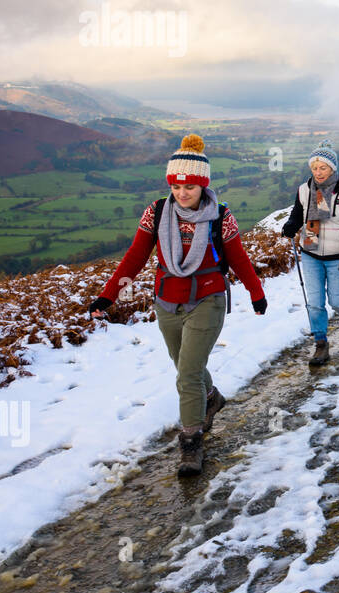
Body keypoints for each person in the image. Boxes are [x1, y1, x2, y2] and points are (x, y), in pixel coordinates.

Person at [87, 134, 267, 477]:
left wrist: (255, 292)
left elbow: (239, 259)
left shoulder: (220, 217)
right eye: (176, 186)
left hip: (208, 299)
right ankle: (210, 397)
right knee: (187, 367)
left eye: (190, 187)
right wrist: (108, 296)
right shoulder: (156, 213)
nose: (182, 193)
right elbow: (135, 258)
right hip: (167, 301)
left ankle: (190, 444)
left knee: (186, 375)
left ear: (203, 186)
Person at [280, 140, 339, 366]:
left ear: (332, 168)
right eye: (314, 168)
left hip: (338, 256)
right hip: (311, 253)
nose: (318, 172)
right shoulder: (305, 190)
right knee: (314, 303)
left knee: (336, 300)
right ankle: (321, 344)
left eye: (323, 168)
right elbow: (298, 215)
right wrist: (290, 226)